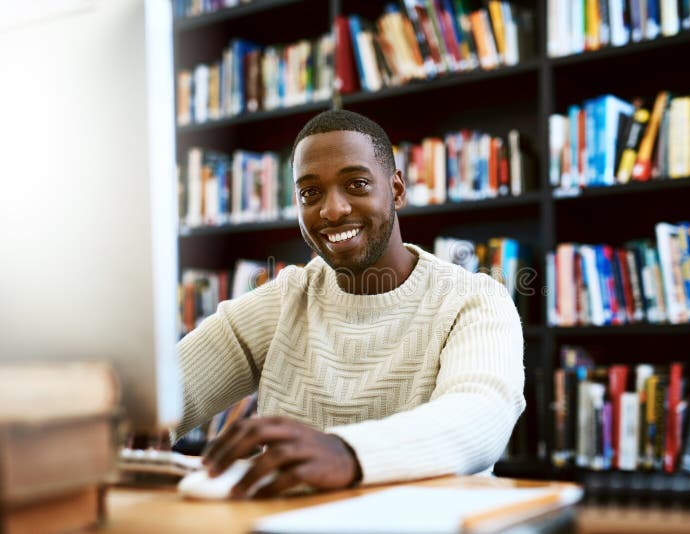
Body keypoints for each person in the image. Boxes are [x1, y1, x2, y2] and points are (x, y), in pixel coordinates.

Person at [175, 109, 525, 498]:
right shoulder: (283, 300)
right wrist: (130, 422)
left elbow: (481, 415)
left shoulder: (474, 299)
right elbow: (170, 388)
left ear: (396, 190)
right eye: (310, 193)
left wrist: (349, 453)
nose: (332, 209)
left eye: (356, 184)